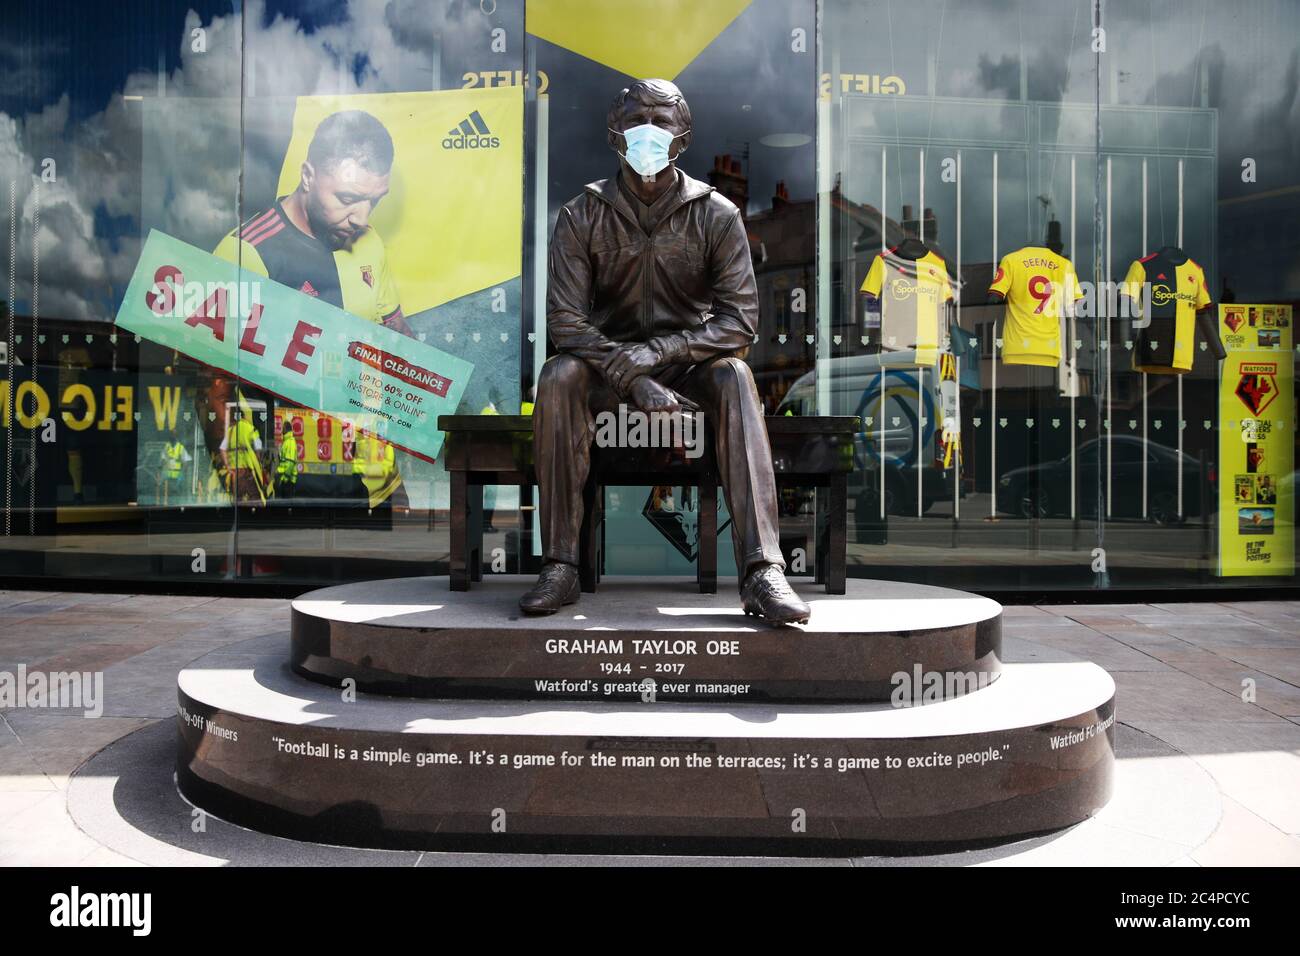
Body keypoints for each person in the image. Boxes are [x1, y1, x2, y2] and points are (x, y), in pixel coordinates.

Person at [520, 78, 809, 625]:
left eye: (661, 124)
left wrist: (656, 355)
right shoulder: (582, 214)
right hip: (606, 367)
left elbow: (740, 321)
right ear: (614, 134)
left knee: (737, 377)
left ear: (683, 138)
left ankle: (763, 570)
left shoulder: (717, 215)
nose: (647, 135)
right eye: (636, 123)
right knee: (557, 375)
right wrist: (631, 377)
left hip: (686, 365)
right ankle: (559, 563)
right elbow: (565, 321)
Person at [202, 109, 413, 507]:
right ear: (308, 176)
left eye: (374, 200)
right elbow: (213, 388)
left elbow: (395, 339)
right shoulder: (246, 252)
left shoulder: (370, 242)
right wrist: (247, 497)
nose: (362, 217)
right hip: (284, 489)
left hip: (376, 486)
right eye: (349, 199)